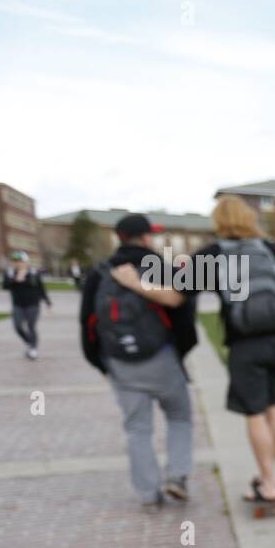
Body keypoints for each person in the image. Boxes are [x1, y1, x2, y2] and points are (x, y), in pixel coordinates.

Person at [116, 195, 275, 509]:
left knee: (255, 412)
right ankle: (266, 476)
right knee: (273, 408)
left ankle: (269, 484)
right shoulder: (272, 250)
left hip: (245, 343)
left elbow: (175, 298)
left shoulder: (213, 255)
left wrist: (135, 284)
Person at [80, 214, 198, 509]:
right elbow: (185, 316)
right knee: (180, 417)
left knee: (137, 429)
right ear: (145, 237)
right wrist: (179, 353)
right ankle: (177, 476)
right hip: (162, 358)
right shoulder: (162, 268)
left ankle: (148, 492)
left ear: (119, 237)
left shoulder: (99, 272)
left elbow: (87, 323)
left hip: (120, 362)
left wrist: (102, 364)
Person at [2, 251, 52, 359]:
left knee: (31, 326)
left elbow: (41, 288)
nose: (18, 263)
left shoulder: (33, 273)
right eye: (15, 261)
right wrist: (16, 279)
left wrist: (47, 302)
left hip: (33, 304)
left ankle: (33, 349)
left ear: (26, 262)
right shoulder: (10, 273)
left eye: (20, 261)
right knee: (17, 326)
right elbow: (5, 286)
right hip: (17, 304)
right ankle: (29, 342)